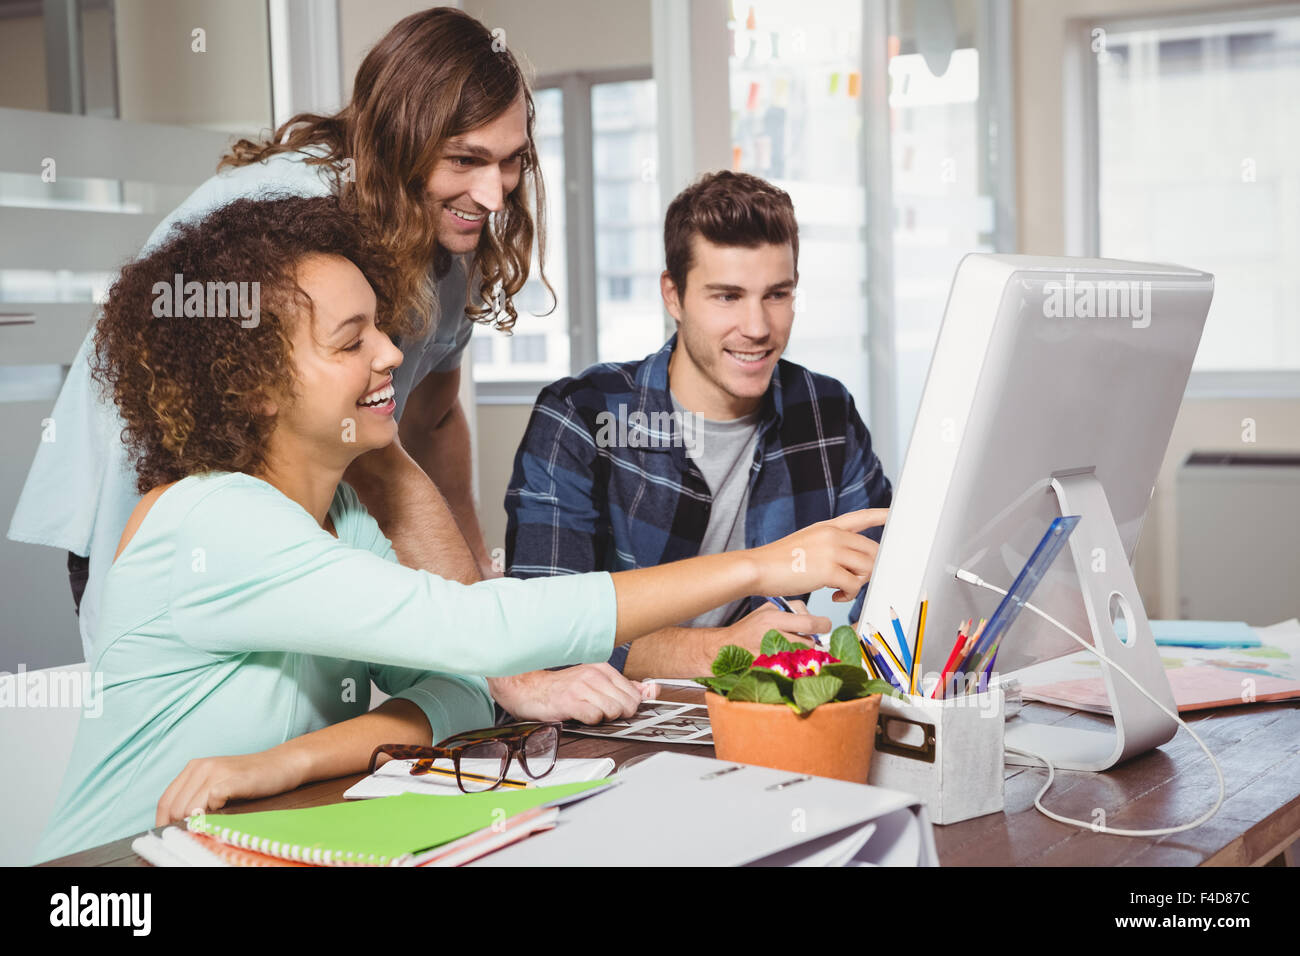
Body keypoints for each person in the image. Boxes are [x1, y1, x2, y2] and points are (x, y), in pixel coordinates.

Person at [31, 195, 885, 863]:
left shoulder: (345, 519)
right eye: (350, 340)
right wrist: (756, 567)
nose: (392, 356)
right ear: (253, 384)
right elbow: (484, 627)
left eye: (380, 327)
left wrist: (286, 762)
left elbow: (465, 686)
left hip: (238, 842)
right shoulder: (212, 519)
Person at [6, 7, 641, 724]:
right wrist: (509, 661)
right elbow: (368, 452)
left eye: (512, 160)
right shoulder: (296, 213)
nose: (494, 195)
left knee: (306, 733)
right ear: (400, 141)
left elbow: (431, 420)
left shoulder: (448, 245)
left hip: (285, 511)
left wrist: (485, 596)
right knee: (206, 748)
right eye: (464, 160)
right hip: (155, 501)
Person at [505, 171, 893, 679]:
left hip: (766, 718)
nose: (757, 328)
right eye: (727, 297)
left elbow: (899, 585)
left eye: (777, 294)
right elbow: (543, 633)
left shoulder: (825, 411)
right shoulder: (580, 418)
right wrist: (724, 650)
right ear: (674, 296)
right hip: (611, 734)